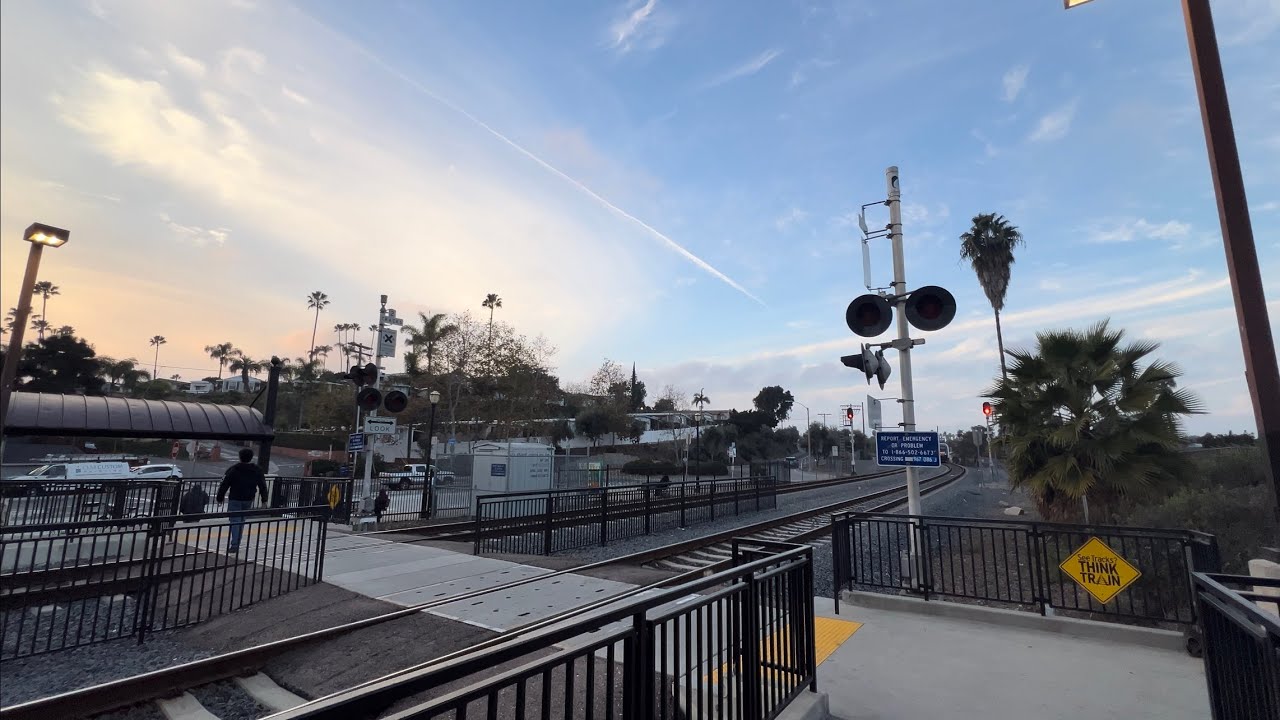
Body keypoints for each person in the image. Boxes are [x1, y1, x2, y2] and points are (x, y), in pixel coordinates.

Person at [216, 448, 268, 553]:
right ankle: (237, 542)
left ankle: (234, 545)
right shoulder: (257, 470)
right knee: (242, 520)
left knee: (235, 521)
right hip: (248, 499)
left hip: (235, 498)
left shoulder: (233, 469)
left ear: (240, 457)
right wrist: (264, 500)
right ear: (251, 457)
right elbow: (262, 485)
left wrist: (219, 498)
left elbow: (224, 484)